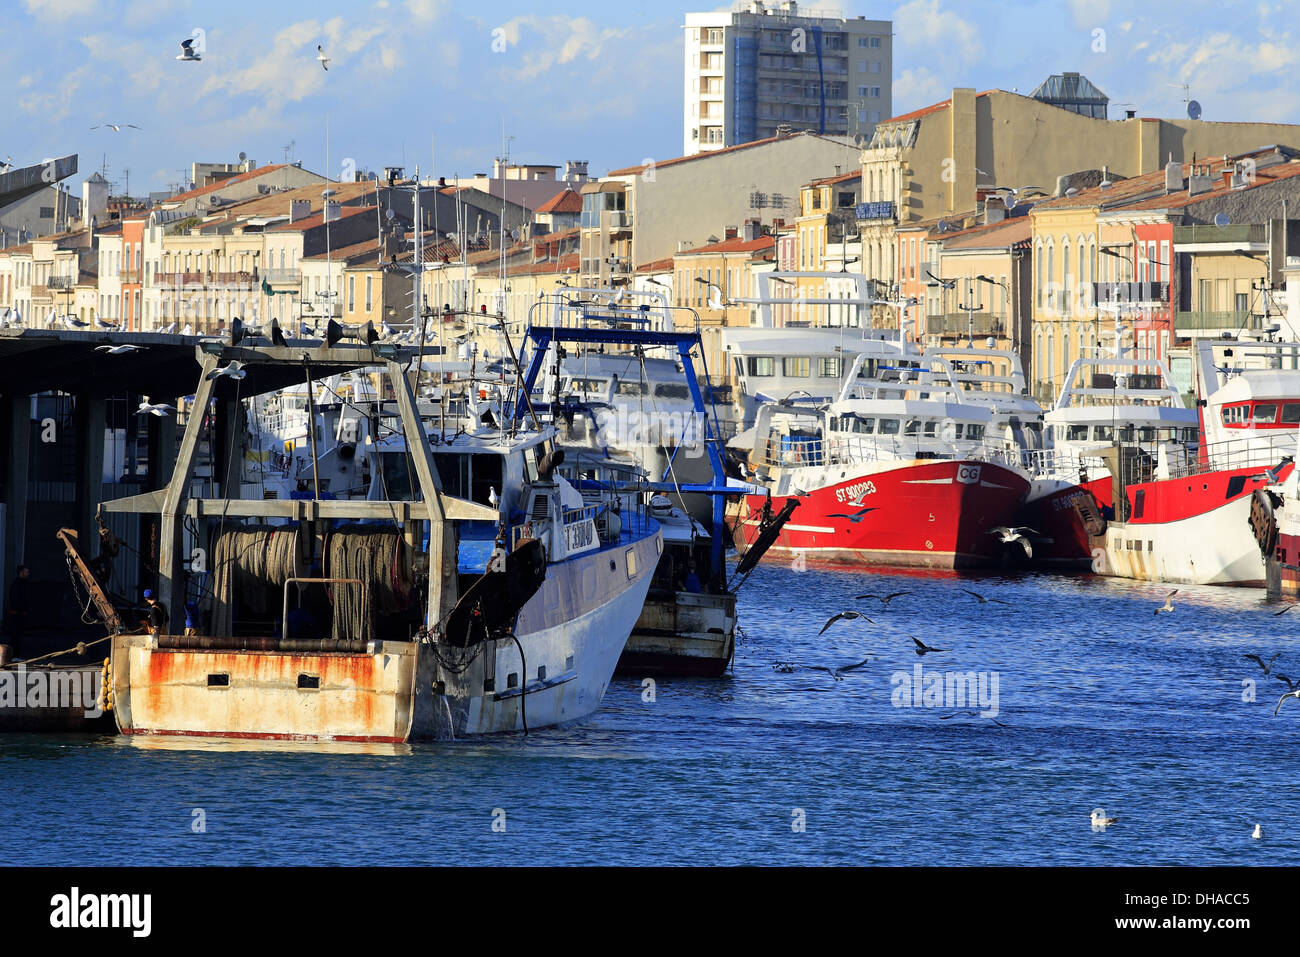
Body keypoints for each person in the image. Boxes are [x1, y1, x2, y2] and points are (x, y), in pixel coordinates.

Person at [5, 565, 30, 659]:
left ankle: (15, 655)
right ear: (21, 572)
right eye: (26, 572)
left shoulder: (22, 583)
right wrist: (21, 611)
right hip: (17, 615)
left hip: (19, 614)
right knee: (15, 636)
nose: (28, 573)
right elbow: (16, 600)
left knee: (17, 636)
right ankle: (14, 656)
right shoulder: (18, 584)